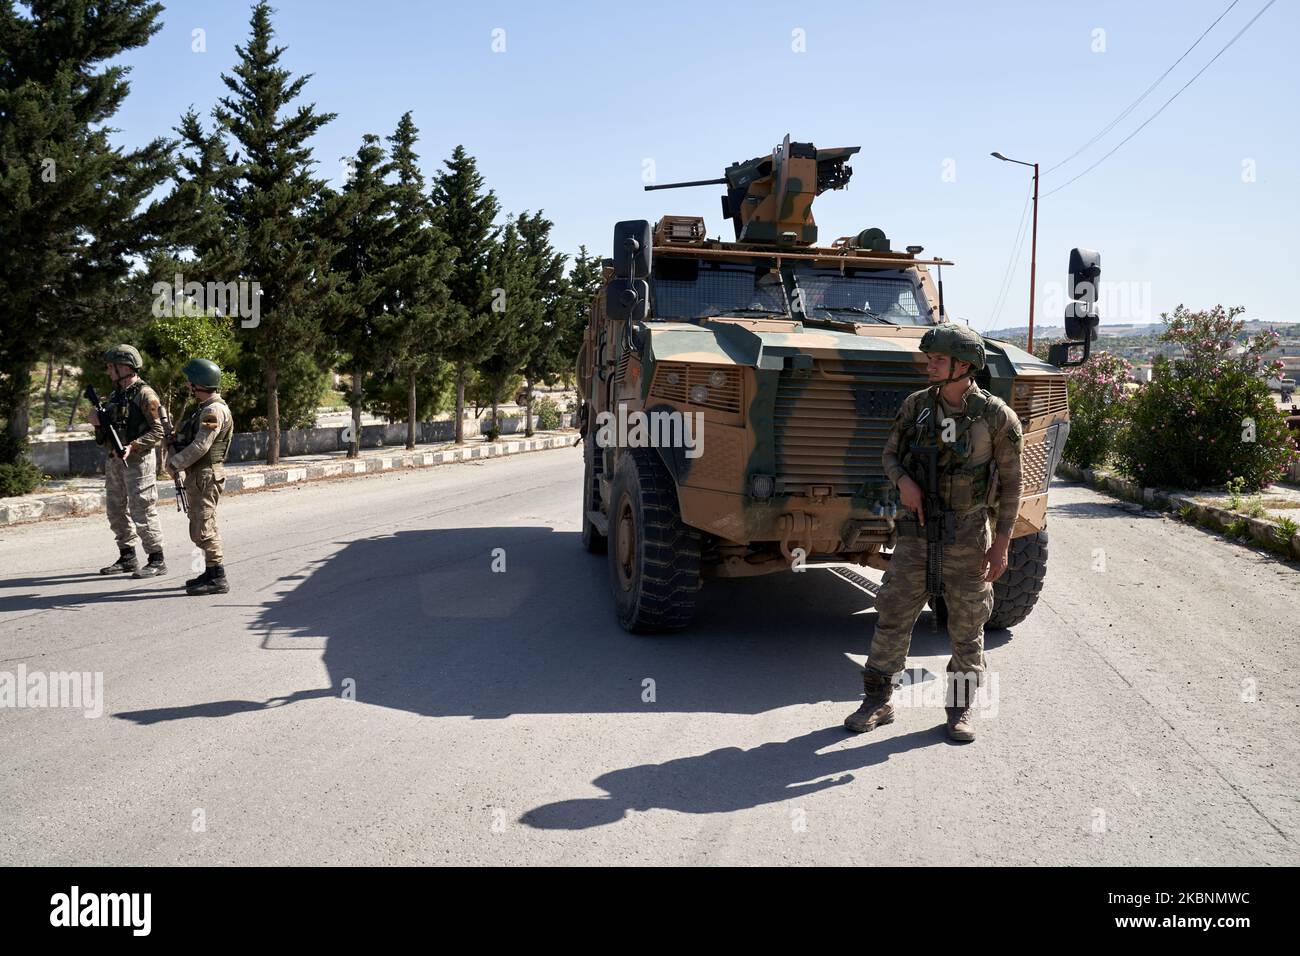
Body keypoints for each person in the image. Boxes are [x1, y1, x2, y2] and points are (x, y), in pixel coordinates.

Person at [844, 324, 1024, 742]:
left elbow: (1013, 485)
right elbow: (889, 453)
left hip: (967, 535)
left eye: (937, 360)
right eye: (929, 359)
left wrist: (1000, 546)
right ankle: (877, 700)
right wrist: (903, 481)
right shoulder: (916, 407)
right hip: (916, 534)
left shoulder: (997, 416)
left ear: (964, 366)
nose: (929, 366)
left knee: (967, 626)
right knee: (892, 613)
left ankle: (959, 711)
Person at [90, 345, 167, 578]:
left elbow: (159, 430)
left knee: (142, 508)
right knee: (115, 509)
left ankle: (157, 559)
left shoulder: (145, 395)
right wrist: (96, 422)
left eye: (110, 367)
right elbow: (105, 434)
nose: (107, 371)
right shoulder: (116, 395)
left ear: (124, 367)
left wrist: (133, 446)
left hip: (138, 461)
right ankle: (127, 556)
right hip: (115, 460)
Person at [167, 359, 234, 596]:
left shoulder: (213, 410)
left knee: (204, 527)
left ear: (199, 383)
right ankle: (210, 571)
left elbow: (201, 446)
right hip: (200, 475)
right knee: (200, 523)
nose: (187, 384)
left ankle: (218, 578)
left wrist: (176, 463)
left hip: (206, 475)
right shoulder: (204, 407)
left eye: (190, 380)